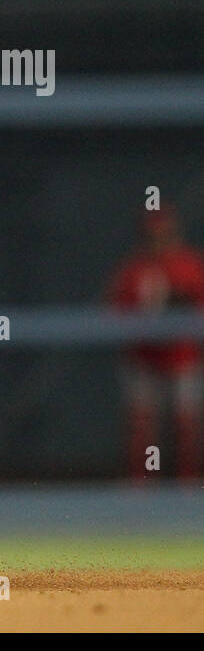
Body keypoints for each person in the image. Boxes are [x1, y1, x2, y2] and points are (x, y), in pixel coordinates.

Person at [107, 205, 204, 480]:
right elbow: (115, 314)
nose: (159, 242)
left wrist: (182, 305)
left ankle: (188, 486)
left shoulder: (191, 265)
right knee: (141, 427)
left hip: (183, 358)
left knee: (186, 426)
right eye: (153, 236)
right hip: (144, 359)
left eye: (164, 235)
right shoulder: (133, 270)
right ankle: (140, 490)